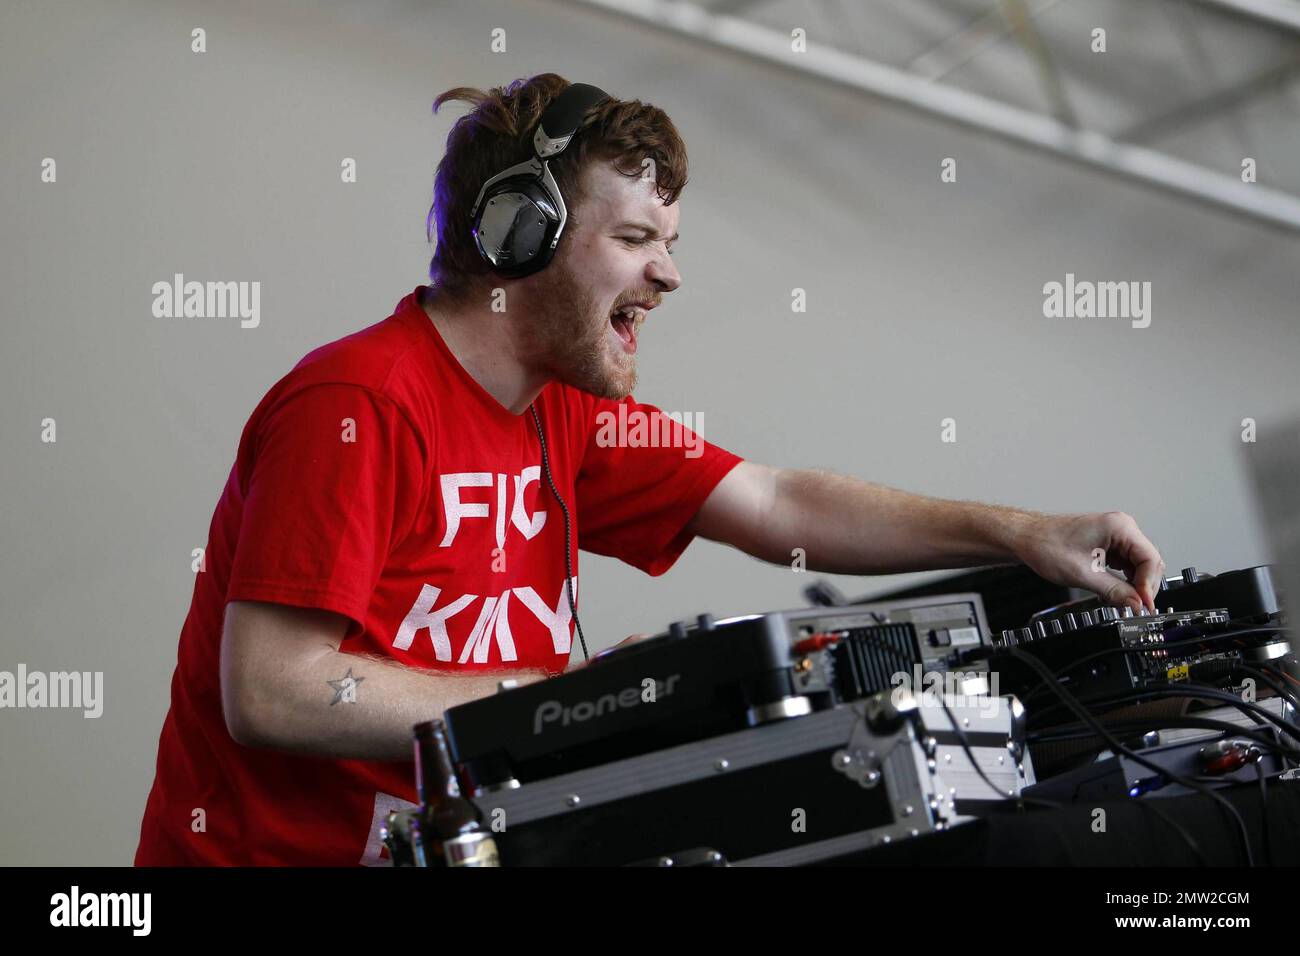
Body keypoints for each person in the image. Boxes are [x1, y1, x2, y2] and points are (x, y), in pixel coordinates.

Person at [134, 73, 1164, 866]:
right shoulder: (358, 404)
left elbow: (772, 500)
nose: (669, 273)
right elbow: (271, 689)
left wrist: (1020, 531)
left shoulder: (566, 413)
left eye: (668, 240)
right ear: (516, 236)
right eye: (634, 237)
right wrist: (562, 696)